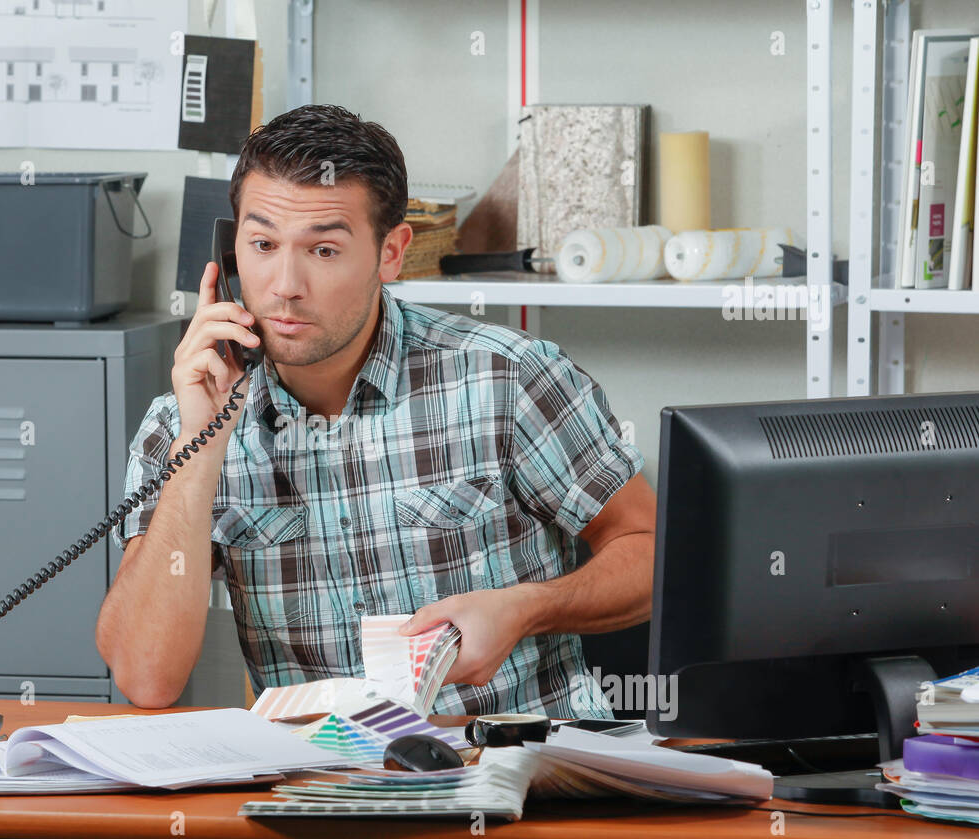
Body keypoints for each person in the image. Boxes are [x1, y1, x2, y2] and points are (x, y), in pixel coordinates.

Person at [97, 103, 655, 718]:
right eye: (261, 244)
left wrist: (527, 608)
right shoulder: (184, 419)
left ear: (392, 253)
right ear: (229, 253)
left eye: (324, 251)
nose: (284, 284)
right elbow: (146, 677)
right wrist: (200, 445)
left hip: (514, 776)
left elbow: (652, 551)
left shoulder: (506, 378)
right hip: (318, 787)